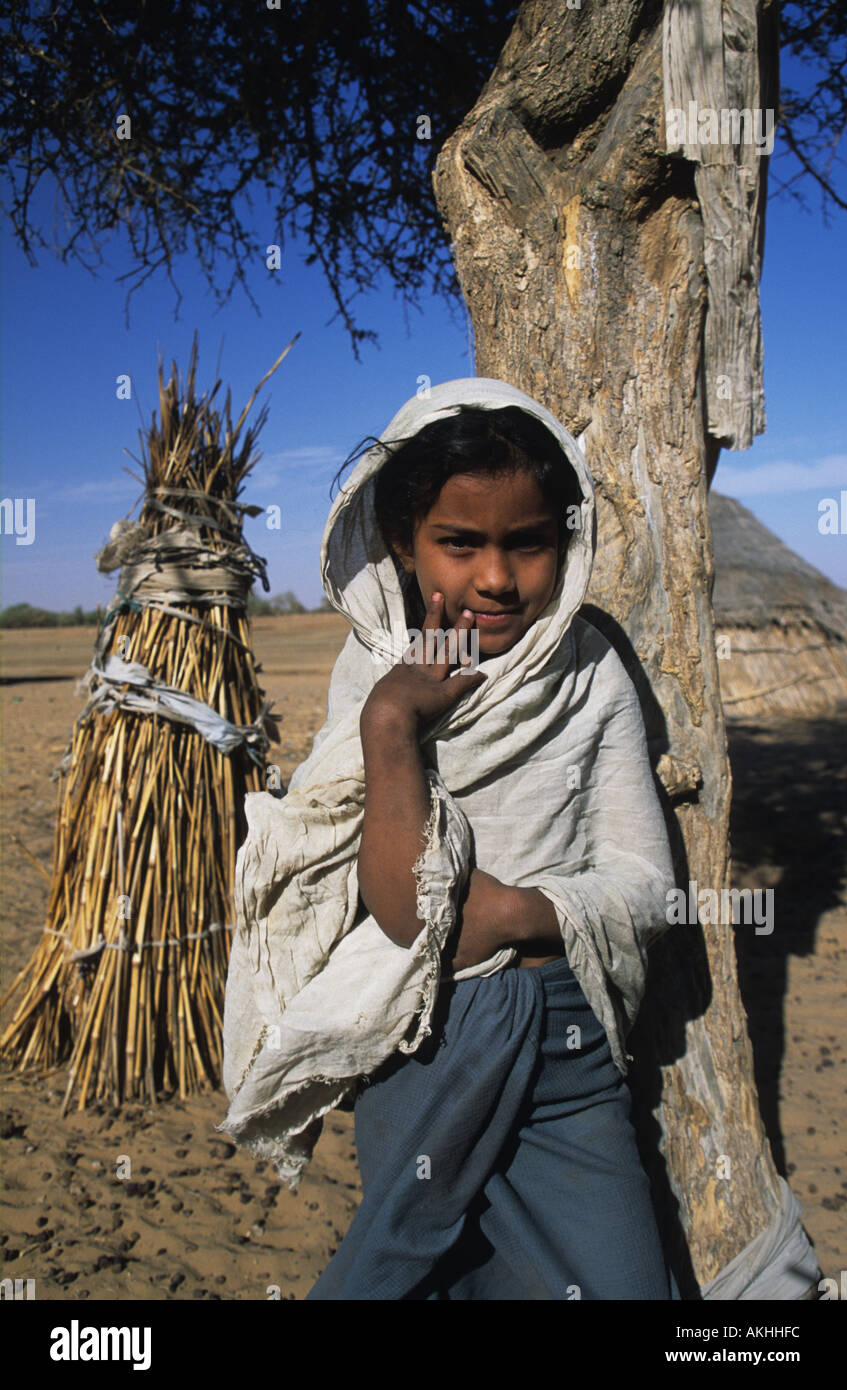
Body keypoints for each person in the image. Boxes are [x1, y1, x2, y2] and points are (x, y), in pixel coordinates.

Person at [219, 377, 679, 1300]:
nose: (498, 577)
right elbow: (400, 912)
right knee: (414, 1272)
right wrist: (394, 723)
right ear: (401, 541)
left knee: (622, 1281)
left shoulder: (588, 669)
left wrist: (512, 912)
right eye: (459, 543)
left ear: (566, 541)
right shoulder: (374, 674)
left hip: (564, 1039)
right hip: (422, 1043)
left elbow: (645, 885)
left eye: (528, 543)